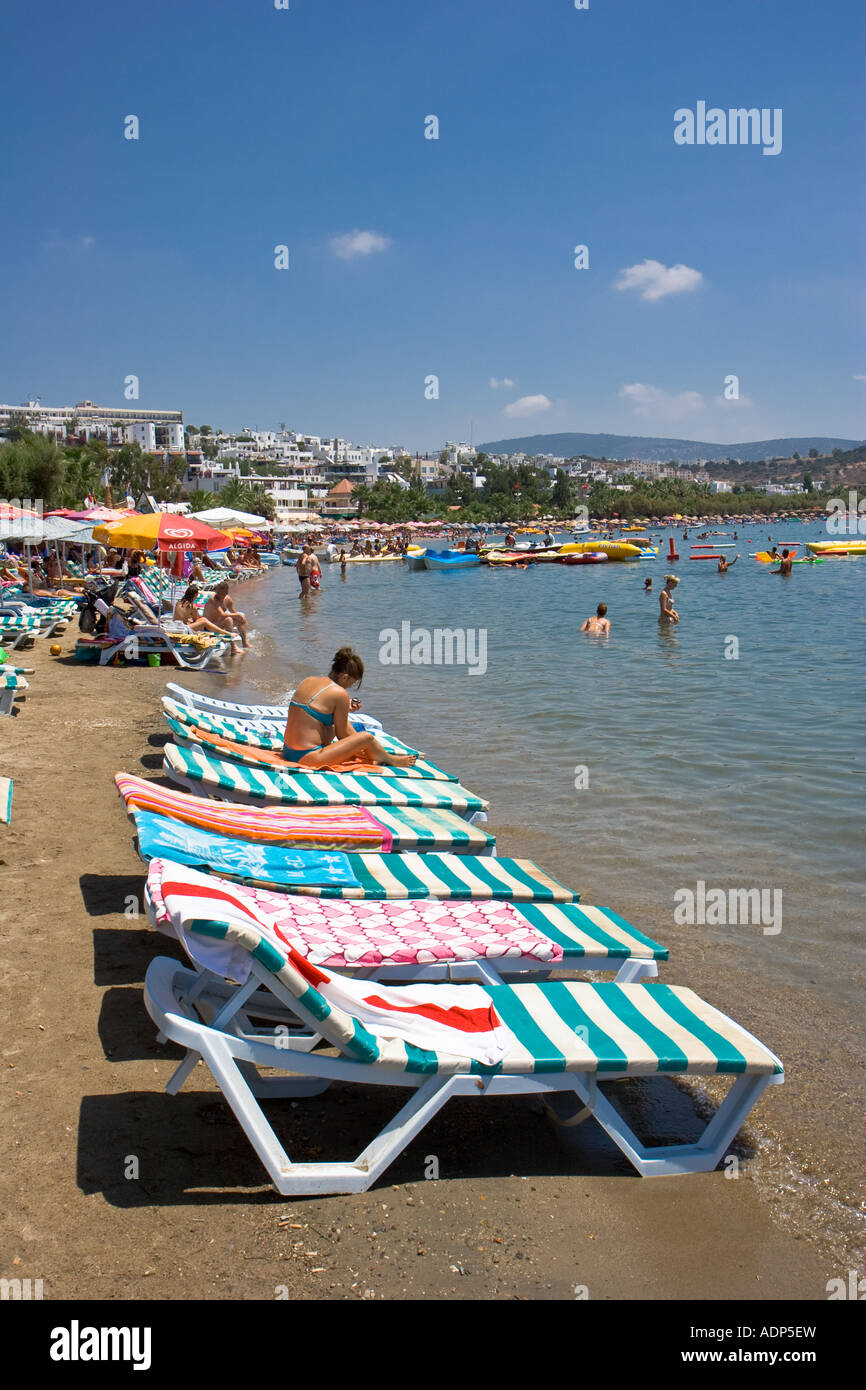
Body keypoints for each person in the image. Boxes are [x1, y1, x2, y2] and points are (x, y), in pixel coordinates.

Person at [281, 647, 420, 770]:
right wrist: (358, 742)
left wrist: (342, 708)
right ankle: (389, 759)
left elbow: (317, 707)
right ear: (345, 677)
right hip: (309, 758)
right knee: (366, 738)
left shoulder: (309, 680)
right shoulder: (340, 693)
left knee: (340, 722)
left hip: (288, 750)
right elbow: (342, 735)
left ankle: (371, 751)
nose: (349, 687)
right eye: (352, 683)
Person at [204, 581, 249, 647]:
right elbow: (222, 614)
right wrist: (237, 615)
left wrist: (240, 617)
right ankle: (234, 647)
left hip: (219, 623)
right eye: (218, 592)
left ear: (226, 593)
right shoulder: (213, 599)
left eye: (222, 593)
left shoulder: (228, 599)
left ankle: (245, 643)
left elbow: (233, 612)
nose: (219, 595)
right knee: (228, 620)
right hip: (209, 625)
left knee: (242, 620)